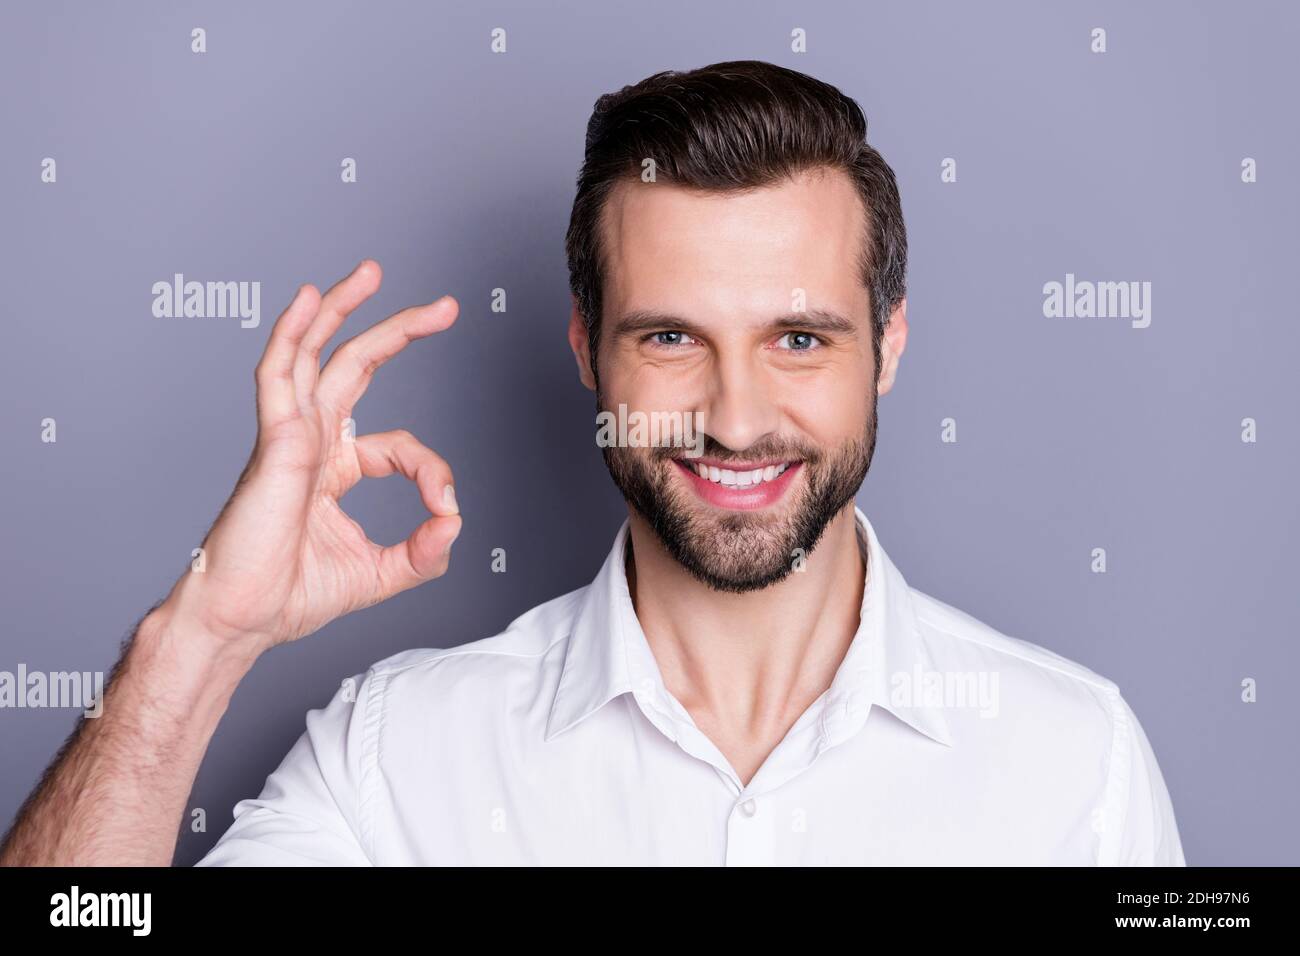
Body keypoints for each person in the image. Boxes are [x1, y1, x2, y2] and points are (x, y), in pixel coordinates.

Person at [0, 60, 1184, 866]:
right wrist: (203, 636)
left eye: (799, 338)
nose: (733, 417)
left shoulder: (1072, 760)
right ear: (586, 349)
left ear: (887, 349)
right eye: (670, 336)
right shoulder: (400, 758)